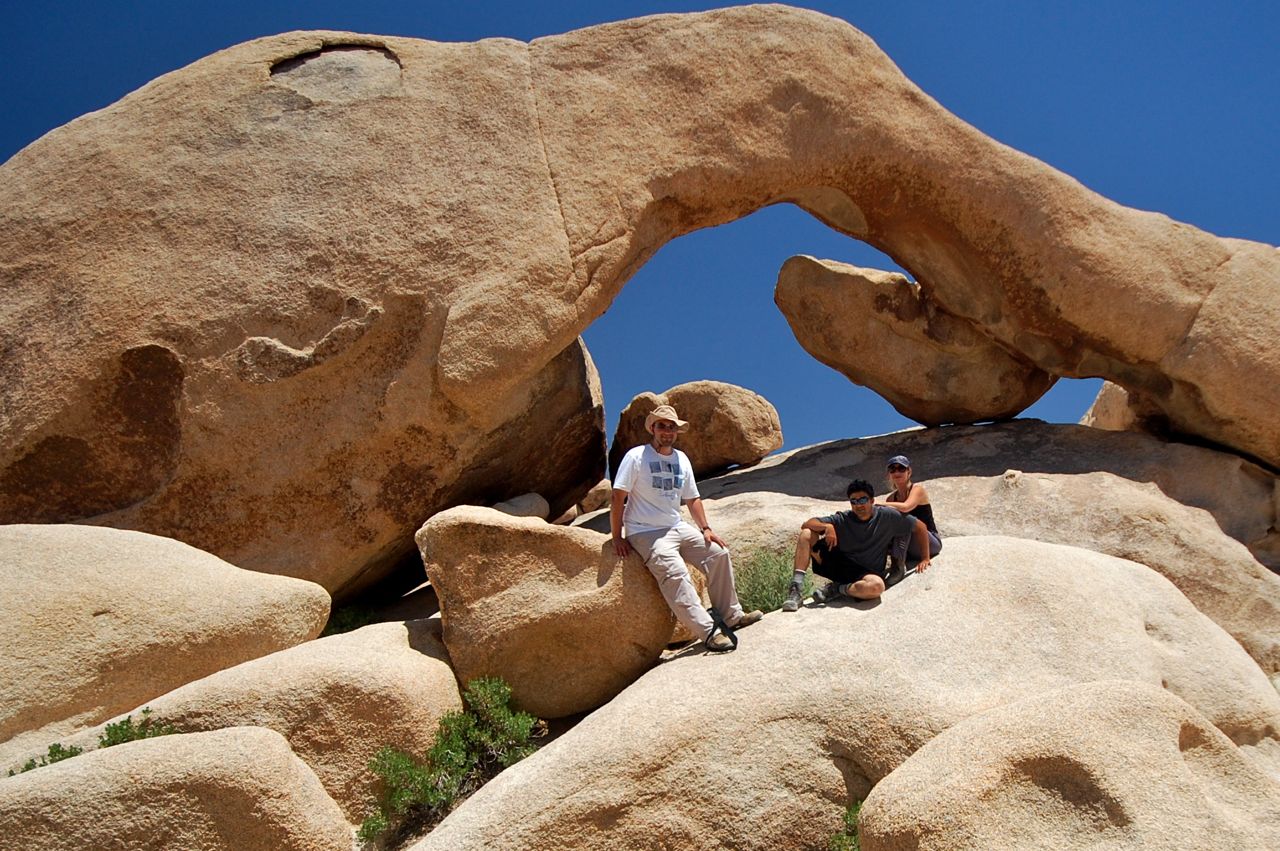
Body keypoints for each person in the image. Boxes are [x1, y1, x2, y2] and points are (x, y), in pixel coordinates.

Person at [611, 404, 763, 652]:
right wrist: (617, 536)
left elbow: (692, 498)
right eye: (662, 426)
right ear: (653, 428)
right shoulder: (637, 456)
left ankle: (732, 616)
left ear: (676, 432)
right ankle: (709, 632)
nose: (667, 431)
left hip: (676, 525)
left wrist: (705, 528)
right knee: (674, 571)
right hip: (644, 531)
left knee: (718, 553)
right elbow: (618, 496)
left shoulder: (681, 459)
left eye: (672, 427)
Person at [782, 478, 932, 612]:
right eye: (854, 501)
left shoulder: (887, 516)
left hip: (866, 572)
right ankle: (796, 589)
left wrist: (925, 558)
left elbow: (920, 527)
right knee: (807, 533)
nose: (858, 505)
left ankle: (837, 589)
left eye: (862, 500)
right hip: (839, 564)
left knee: (876, 587)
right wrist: (827, 527)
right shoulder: (844, 518)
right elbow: (806, 524)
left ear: (872, 500)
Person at [881, 454, 942, 575]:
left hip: (930, 543)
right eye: (893, 469)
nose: (897, 472)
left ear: (909, 471)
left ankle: (898, 566)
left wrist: (925, 558)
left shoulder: (917, 490)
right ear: (889, 474)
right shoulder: (890, 498)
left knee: (905, 521)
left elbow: (906, 507)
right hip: (910, 548)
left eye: (901, 468)